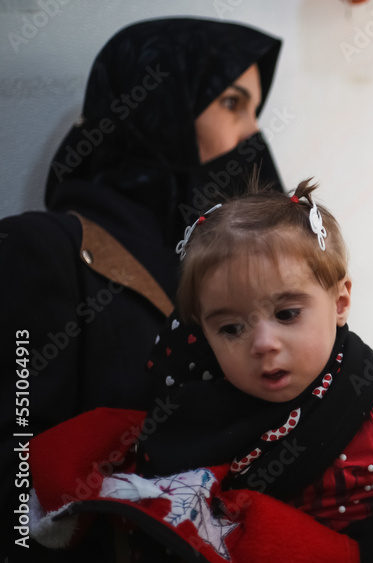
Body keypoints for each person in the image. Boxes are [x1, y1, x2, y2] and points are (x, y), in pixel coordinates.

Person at [29, 179, 373, 561]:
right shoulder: (211, 416)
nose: (262, 343)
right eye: (231, 328)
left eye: (286, 314)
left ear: (340, 302)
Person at [2, 17, 284, 559]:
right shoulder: (41, 249)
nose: (252, 134)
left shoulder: (219, 277)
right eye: (232, 103)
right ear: (159, 109)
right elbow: (16, 475)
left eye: (255, 110)